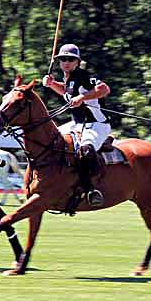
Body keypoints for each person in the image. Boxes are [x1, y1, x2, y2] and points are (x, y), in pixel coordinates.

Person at [42, 44, 111, 207]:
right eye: (63, 59)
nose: (66, 62)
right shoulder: (69, 79)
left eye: (70, 59)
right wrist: (51, 84)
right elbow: (66, 91)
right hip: (77, 124)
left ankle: (91, 189)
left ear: (77, 62)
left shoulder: (83, 76)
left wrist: (82, 97)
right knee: (50, 144)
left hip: (96, 124)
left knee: (85, 151)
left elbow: (104, 89)